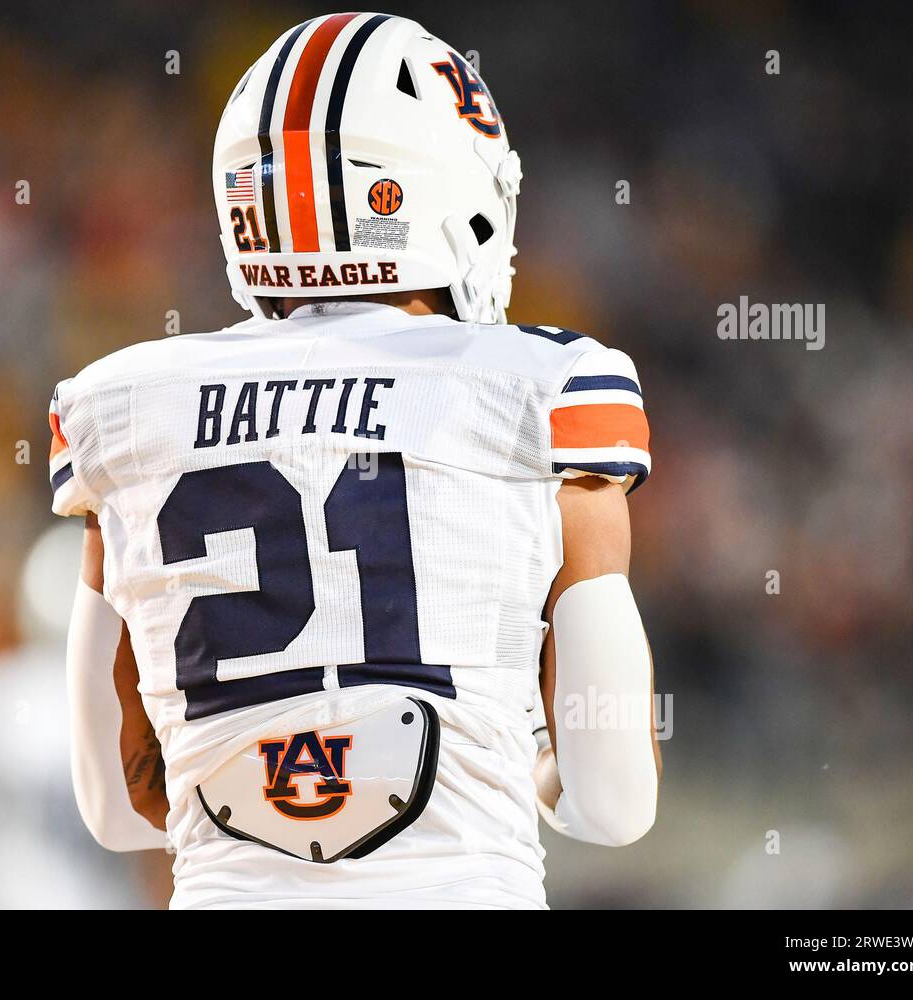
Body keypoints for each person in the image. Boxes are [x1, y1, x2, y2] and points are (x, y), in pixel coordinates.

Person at [50, 12, 661, 909]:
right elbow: (613, 802)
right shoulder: (547, 387)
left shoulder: (124, 406)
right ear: (449, 195)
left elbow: (120, 806)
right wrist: (506, 751)